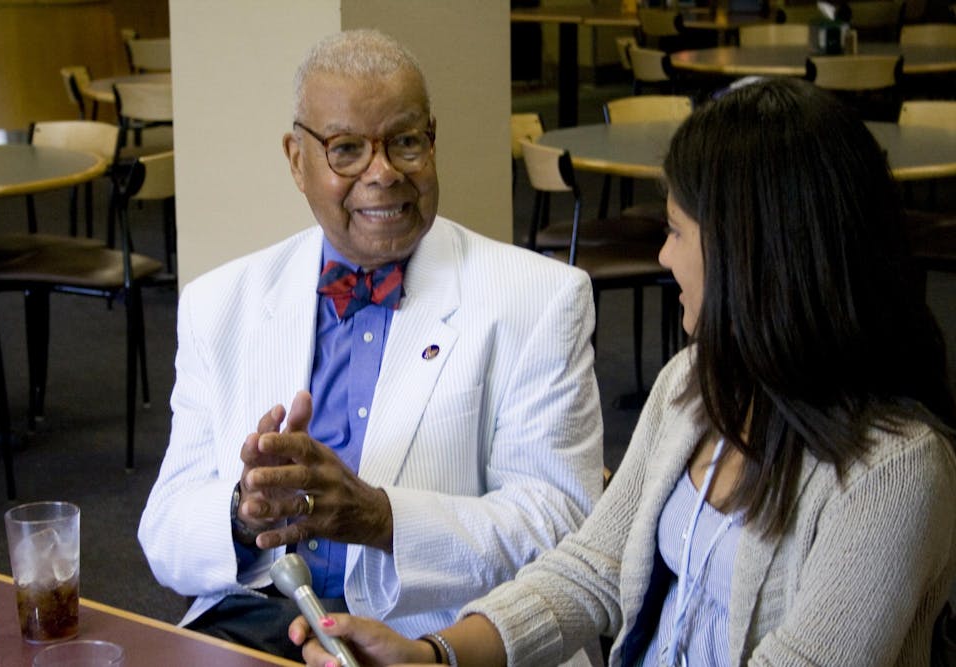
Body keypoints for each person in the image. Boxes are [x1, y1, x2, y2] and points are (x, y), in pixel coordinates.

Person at [288, 77, 956, 666]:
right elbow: (596, 566)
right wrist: (437, 655)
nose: (664, 256)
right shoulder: (693, 385)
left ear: (752, 256)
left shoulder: (893, 473)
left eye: (676, 230)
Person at [136, 28, 604, 661]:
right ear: (295, 159)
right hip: (263, 625)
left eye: (406, 142)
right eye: (347, 149)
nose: (382, 173)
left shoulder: (538, 298)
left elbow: (565, 533)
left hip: (434, 641)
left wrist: (382, 519)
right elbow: (164, 533)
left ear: (432, 142)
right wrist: (245, 518)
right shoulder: (220, 304)